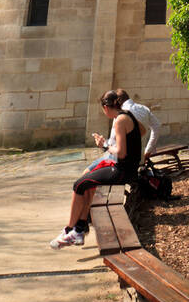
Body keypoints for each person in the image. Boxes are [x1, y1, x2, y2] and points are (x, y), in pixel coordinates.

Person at [49, 91, 141, 248]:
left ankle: (70, 230)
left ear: (106, 107)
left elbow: (121, 152)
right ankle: (80, 228)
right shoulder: (128, 115)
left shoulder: (119, 120)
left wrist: (104, 145)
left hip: (122, 171)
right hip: (127, 168)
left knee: (78, 185)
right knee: (87, 182)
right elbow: (142, 131)